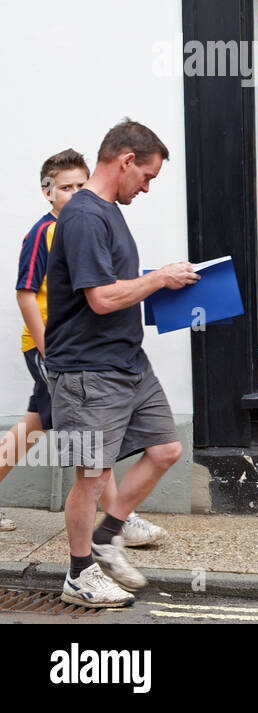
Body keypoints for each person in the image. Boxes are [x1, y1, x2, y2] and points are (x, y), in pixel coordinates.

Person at [44, 121, 198, 608]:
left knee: (166, 449)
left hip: (128, 363)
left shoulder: (108, 211)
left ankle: (108, 538)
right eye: (147, 176)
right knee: (91, 476)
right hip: (88, 371)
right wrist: (159, 280)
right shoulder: (85, 216)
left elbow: (116, 288)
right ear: (125, 160)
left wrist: (164, 284)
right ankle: (78, 573)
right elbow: (103, 299)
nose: (148, 188)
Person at [1, 150, 168, 547]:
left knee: (36, 428)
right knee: (85, 441)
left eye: (80, 185)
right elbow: (26, 294)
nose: (75, 194)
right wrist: (47, 349)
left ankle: (115, 519)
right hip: (53, 350)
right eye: (65, 188)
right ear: (48, 193)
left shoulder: (87, 223)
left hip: (68, 351)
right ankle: (116, 523)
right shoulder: (44, 232)